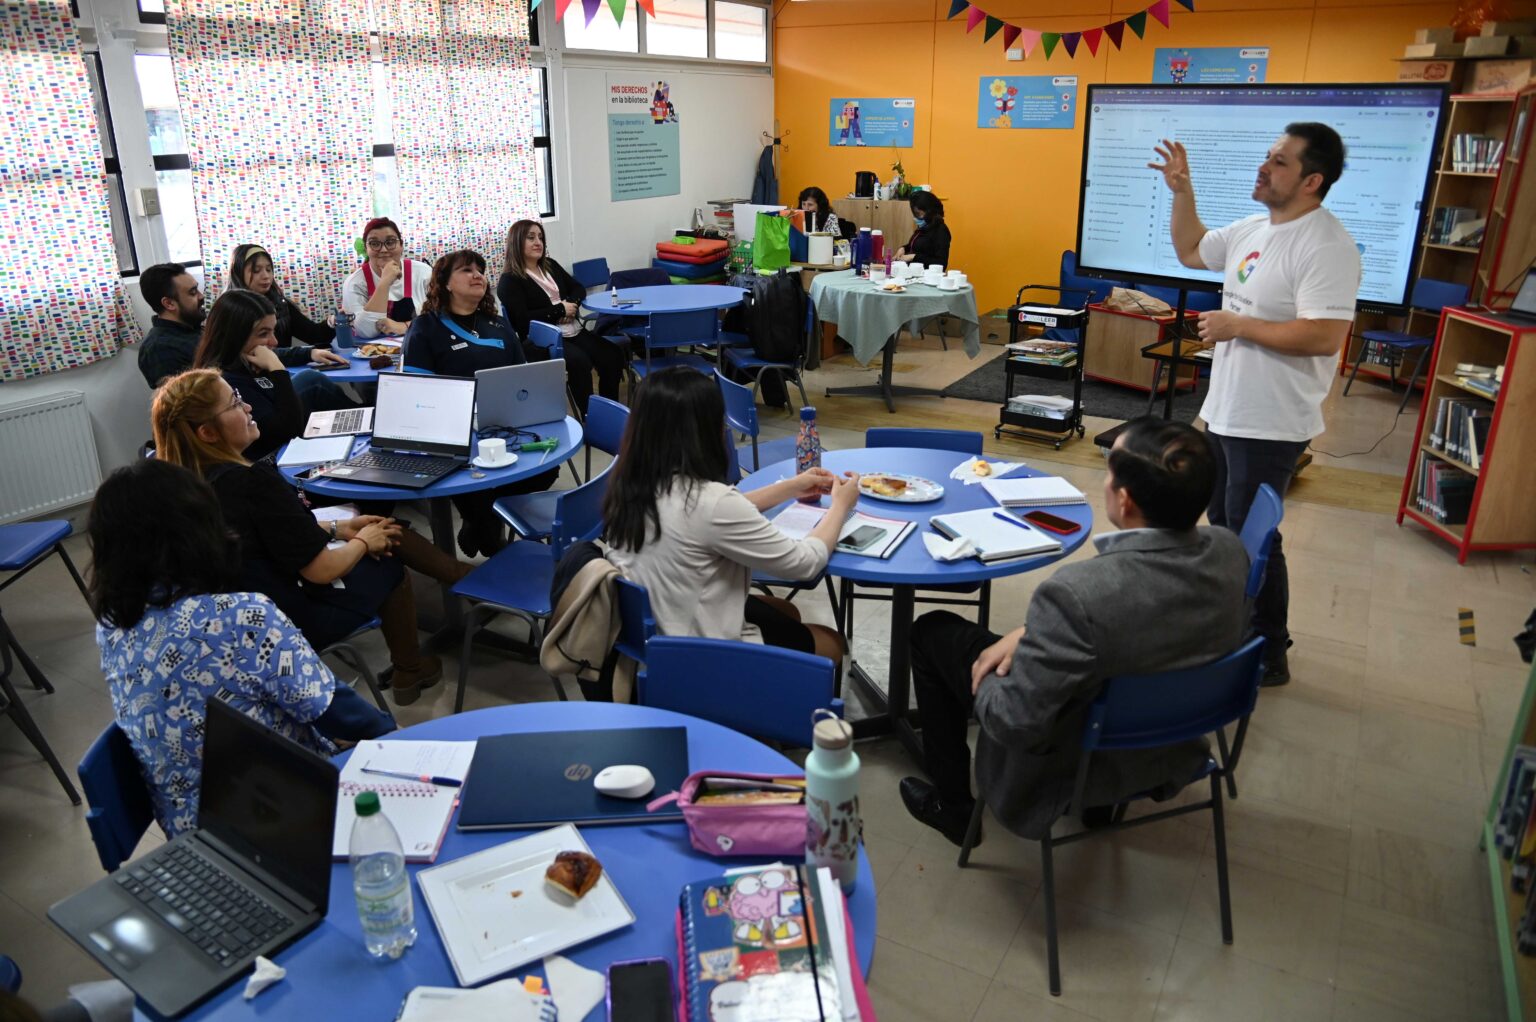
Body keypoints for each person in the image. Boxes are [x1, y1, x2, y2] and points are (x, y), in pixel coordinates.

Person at [898, 418, 1250, 846]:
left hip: (1073, 762)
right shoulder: (1231, 552)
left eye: (1109, 472)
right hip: (1169, 745)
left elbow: (1014, 722)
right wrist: (1032, 632)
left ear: (1124, 499)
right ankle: (1101, 808)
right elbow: (1140, 621)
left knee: (932, 631)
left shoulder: (1077, 593)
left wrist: (983, 673)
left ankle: (953, 807)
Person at [1150, 123, 1361, 686]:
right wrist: (1181, 192)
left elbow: (1324, 336)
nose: (1264, 167)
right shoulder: (1253, 228)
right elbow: (1191, 249)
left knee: (1253, 536)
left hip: (1271, 420)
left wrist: (1239, 324)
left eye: (1281, 162)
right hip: (1228, 408)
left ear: (1312, 180)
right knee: (1224, 523)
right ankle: (1237, 628)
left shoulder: (1326, 245)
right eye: (1267, 156)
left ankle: (1269, 650)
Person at [89, 458, 395, 838]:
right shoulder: (240, 616)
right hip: (283, 826)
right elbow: (344, 715)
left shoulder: (111, 627)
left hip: (192, 838)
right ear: (199, 530)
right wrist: (406, 741)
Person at [152, 369, 472, 704]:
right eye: (235, 403)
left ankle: (462, 581)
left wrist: (339, 528)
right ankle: (412, 666)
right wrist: (364, 542)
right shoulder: (252, 482)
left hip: (237, 627)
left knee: (380, 530)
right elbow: (320, 570)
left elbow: (268, 534)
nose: (248, 408)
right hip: (291, 617)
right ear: (206, 432)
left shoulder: (182, 485)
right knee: (387, 552)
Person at [604, 367, 859, 663]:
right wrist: (841, 505)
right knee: (830, 643)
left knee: (786, 612)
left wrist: (793, 487)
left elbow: (711, 514)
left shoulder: (631, 486)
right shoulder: (710, 502)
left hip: (657, 633)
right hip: (699, 655)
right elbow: (805, 563)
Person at [403, 249, 558, 557]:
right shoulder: (425, 328)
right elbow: (416, 394)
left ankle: (480, 519)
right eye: (466, 270)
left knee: (545, 466)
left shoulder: (498, 325)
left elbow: (523, 378)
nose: (477, 275)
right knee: (471, 478)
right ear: (445, 283)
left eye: (480, 270)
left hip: (505, 424)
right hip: (453, 432)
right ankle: (487, 526)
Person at [193, 290, 346, 461]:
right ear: (235, 336)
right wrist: (277, 370)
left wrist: (308, 353)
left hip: (285, 441)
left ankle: (366, 419)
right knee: (311, 382)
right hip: (273, 459)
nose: (274, 341)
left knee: (311, 379)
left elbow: (276, 354)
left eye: (273, 331)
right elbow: (288, 431)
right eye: (263, 334)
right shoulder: (227, 382)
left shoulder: (247, 359)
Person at [496, 219, 627, 416]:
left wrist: (571, 305)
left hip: (574, 331)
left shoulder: (550, 265)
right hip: (544, 341)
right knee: (579, 363)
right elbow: (522, 321)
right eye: (530, 238)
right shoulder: (510, 280)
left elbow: (578, 288)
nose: (538, 242)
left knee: (612, 354)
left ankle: (609, 413)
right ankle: (589, 417)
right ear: (516, 242)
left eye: (540, 237)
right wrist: (559, 310)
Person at [227, 243, 336, 348]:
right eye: (256, 270)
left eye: (269, 269)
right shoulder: (231, 309)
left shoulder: (280, 304)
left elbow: (315, 335)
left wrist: (332, 322)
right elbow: (256, 355)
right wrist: (308, 354)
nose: (266, 276)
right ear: (239, 273)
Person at [341, 217, 432, 339]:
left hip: (421, 343)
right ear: (366, 249)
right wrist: (385, 282)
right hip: (370, 352)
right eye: (374, 244)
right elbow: (365, 331)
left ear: (401, 245)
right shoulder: (354, 283)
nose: (383, 250)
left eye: (390, 242)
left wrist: (404, 326)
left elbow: (443, 318)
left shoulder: (423, 272)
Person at [136, 263, 206, 388]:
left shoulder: (192, 327)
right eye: (193, 292)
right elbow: (194, 402)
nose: (201, 296)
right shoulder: (160, 349)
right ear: (169, 303)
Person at [894, 191, 951, 269]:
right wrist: (903, 248)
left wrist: (914, 257)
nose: (916, 218)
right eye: (915, 214)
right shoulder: (925, 226)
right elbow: (916, 246)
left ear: (930, 211)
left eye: (919, 214)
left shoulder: (941, 231)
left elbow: (941, 263)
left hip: (929, 277)